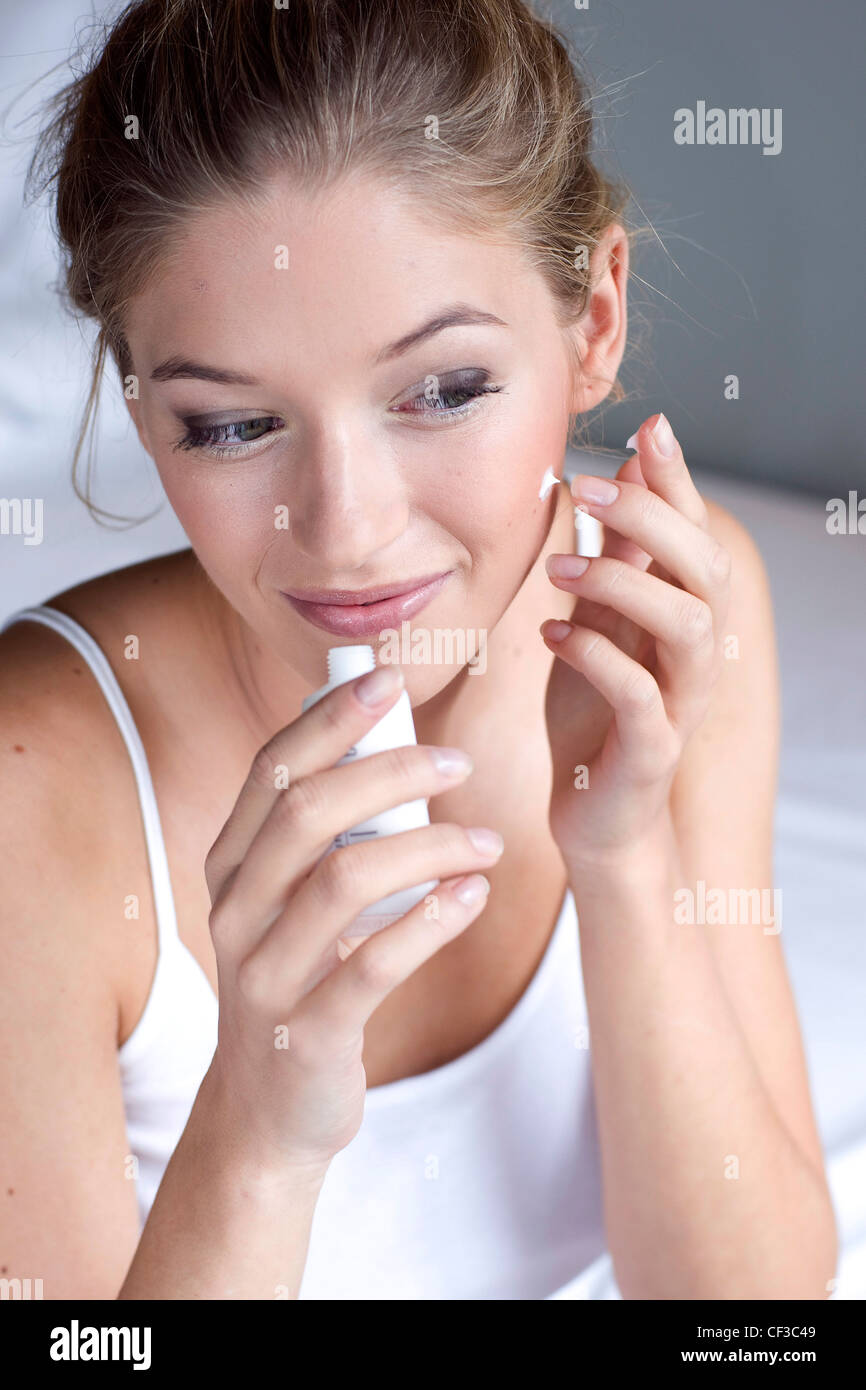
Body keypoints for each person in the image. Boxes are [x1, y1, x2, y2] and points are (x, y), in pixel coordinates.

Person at [0, 0, 836, 1299]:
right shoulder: (31, 788)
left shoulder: (669, 614)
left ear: (593, 321)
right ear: (137, 407)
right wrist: (257, 1135)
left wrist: (622, 860)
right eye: (228, 424)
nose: (346, 529)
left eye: (441, 391)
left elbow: (749, 1316)